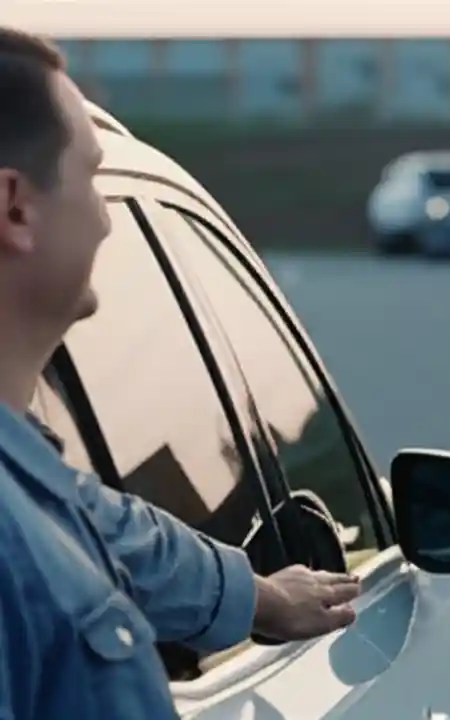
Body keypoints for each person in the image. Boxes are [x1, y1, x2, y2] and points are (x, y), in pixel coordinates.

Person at [0, 27, 360, 719]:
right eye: (91, 179)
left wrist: (260, 597)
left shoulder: (35, 488)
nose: (106, 221)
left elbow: (106, 524)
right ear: (15, 207)